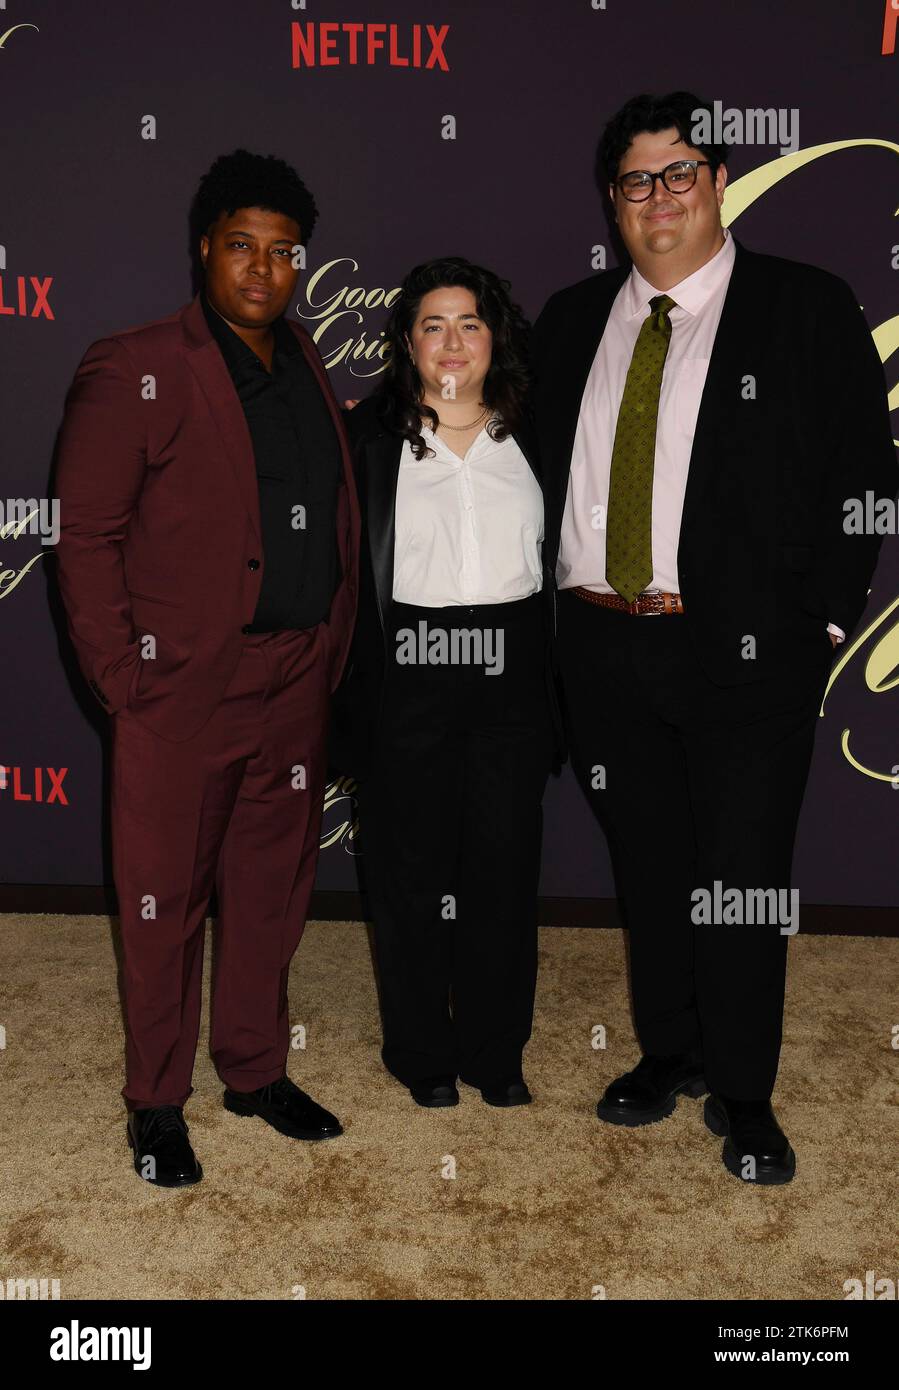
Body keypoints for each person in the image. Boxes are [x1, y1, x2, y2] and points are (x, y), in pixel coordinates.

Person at [532, 92, 896, 1183]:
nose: (658, 197)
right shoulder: (567, 318)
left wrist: (819, 621)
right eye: (636, 179)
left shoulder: (802, 306)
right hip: (600, 647)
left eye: (679, 172)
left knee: (737, 875)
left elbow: (860, 475)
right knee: (649, 868)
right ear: (612, 198)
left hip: (744, 654)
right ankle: (671, 1050)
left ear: (718, 182)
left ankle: (743, 1092)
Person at [54, 149, 360, 1186]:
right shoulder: (135, 363)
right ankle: (154, 1101)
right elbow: (85, 536)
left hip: (294, 683)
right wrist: (123, 678)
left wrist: (325, 647)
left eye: (282, 252)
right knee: (161, 903)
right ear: (203, 248)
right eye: (243, 246)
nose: (264, 270)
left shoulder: (307, 364)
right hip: (181, 688)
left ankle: (254, 1068)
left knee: (271, 891)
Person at [334, 257, 562, 1108]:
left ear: (493, 335)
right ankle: (421, 1050)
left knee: (503, 869)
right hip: (408, 669)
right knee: (407, 873)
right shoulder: (366, 438)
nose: (452, 341)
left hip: (510, 668)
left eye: (468, 322)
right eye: (433, 325)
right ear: (406, 343)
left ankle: (496, 1052)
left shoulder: (536, 430)